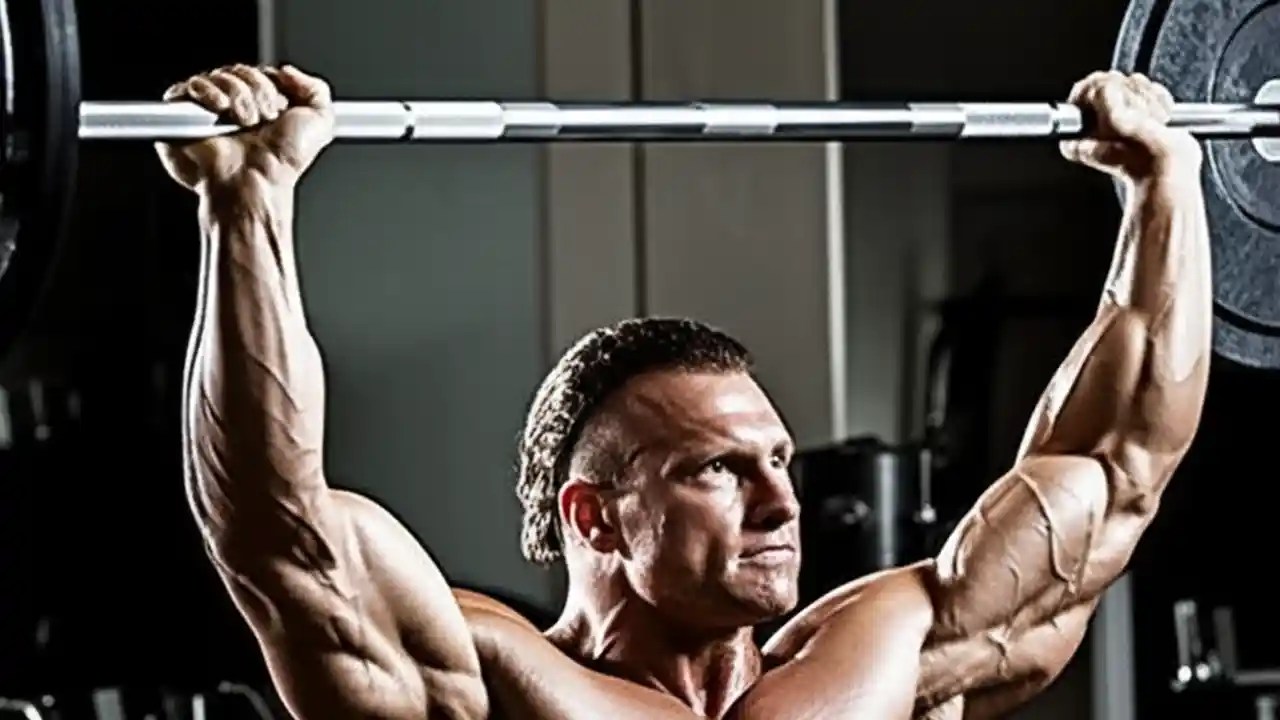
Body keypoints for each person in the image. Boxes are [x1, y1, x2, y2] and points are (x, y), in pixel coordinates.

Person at [156, 63, 1210, 719]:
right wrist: (247, 207)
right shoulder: (493, 688)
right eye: (718, 469)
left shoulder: (884, 663)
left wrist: (1162, 186)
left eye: (778, 464)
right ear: (596, 516)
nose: (781, 502)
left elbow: (1113, 476)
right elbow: (277, 530)